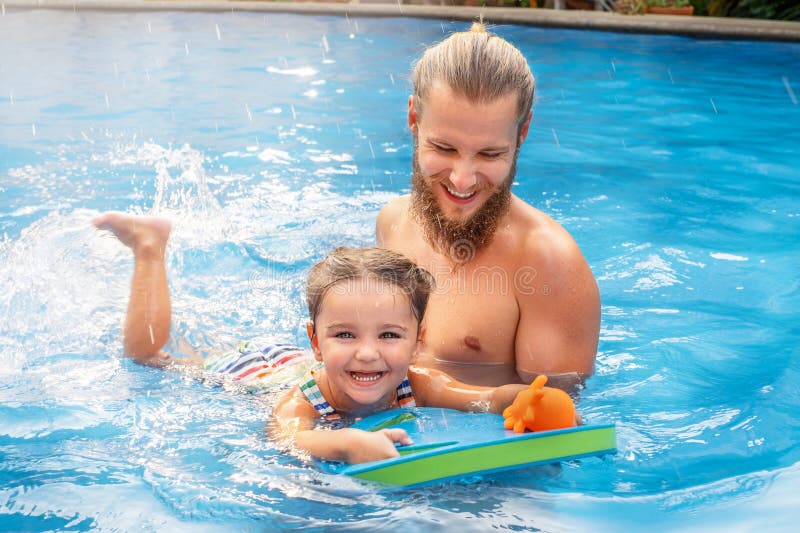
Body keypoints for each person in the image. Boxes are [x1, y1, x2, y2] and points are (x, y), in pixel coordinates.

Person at [93, 212, 536, 465]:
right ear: (317, 340)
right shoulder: (302, 401)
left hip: (297, 359)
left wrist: (524, 401)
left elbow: (482, 398)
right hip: (254, 373)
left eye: (389, 335)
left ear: (418, 341)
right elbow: (285, 436)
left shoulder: (416, 381)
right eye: (345, 334)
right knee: (151, 356)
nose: (367, 353)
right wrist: (345, 442)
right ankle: (149, 247)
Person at [376, 23, 601, 389]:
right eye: (444, 148)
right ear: (414, 119)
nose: (462, 180)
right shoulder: (393, 221)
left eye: (490, 154)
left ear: (522, 133)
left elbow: (549, 424)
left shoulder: (548, 264)